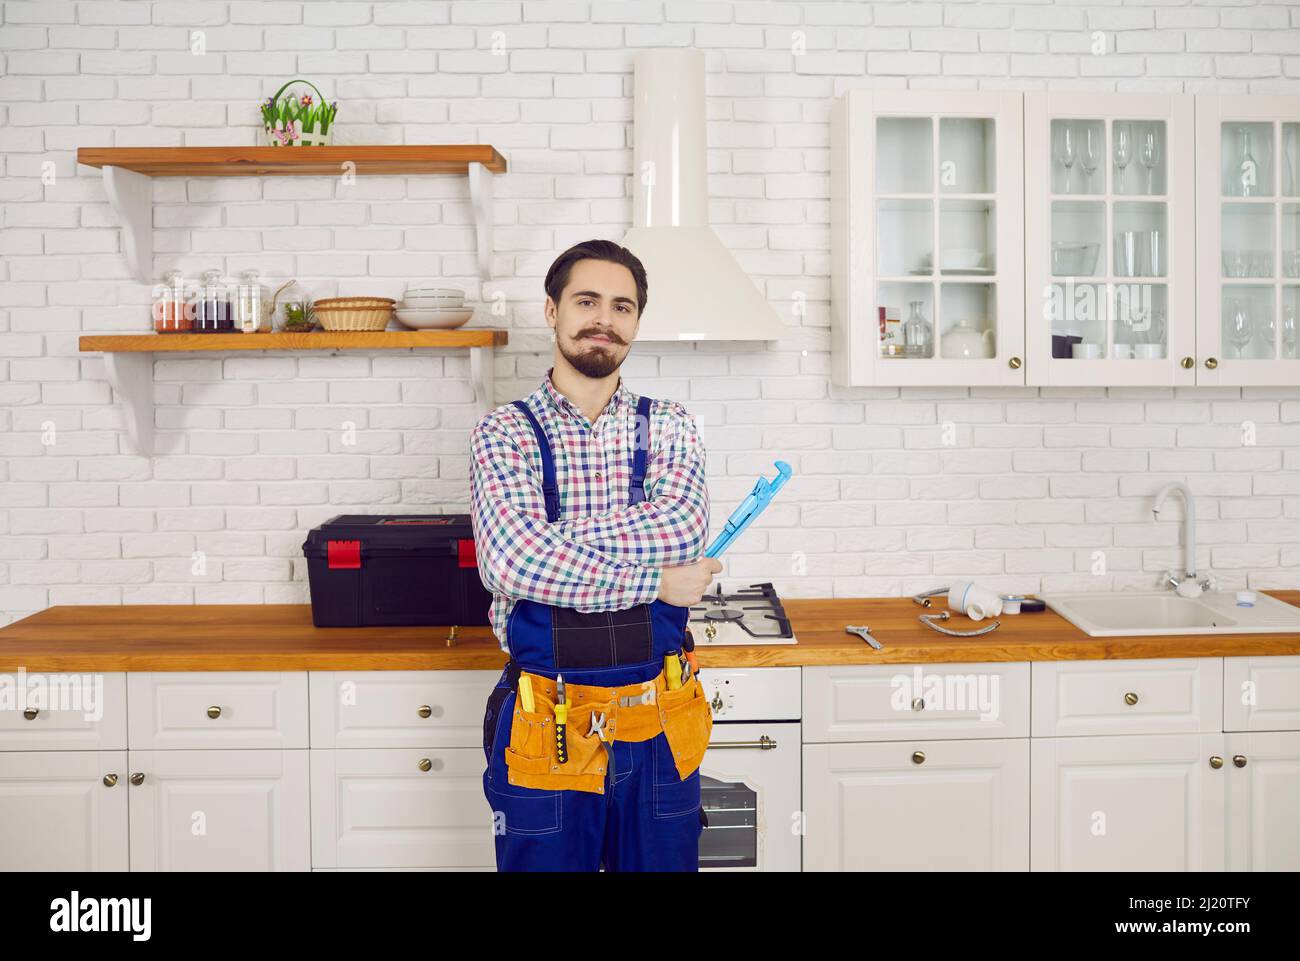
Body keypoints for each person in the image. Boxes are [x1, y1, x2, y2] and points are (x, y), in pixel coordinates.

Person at [469, 239, 722, 871]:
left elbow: (684, 536)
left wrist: (558, 538)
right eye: (586, 301)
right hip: (546, 720)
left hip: (660, 720)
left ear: (636, 322)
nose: (603, 319)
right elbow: (511, 562)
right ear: (552, 310)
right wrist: (656, 580)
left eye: (622, 306)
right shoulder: (504, 431)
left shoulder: (670, 424)